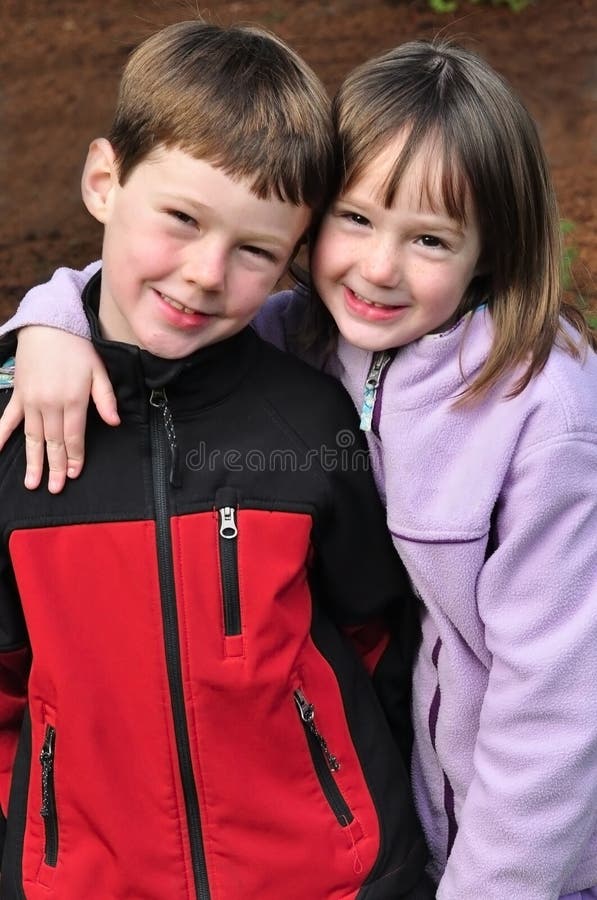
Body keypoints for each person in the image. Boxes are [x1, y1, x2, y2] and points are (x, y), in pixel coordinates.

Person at [1, 37, 596, 900]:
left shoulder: (543, 420)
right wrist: (47, 323)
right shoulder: (301, 332)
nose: (378, 267)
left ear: (491, 252)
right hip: (351, 835)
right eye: (354, 220)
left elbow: (553, 703)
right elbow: (154, 298)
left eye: (429, 238)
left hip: (513, 853)